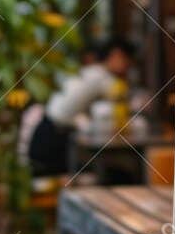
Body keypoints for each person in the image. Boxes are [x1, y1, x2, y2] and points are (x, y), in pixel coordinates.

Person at [27, 37, 136, 177]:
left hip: (46, 132)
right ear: (116, 55)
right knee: (116, 174)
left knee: (107, 171)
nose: (129, 66)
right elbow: (122, 102)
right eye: (128, 60)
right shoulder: (102, 78)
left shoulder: (92, 71)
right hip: (52, 141)